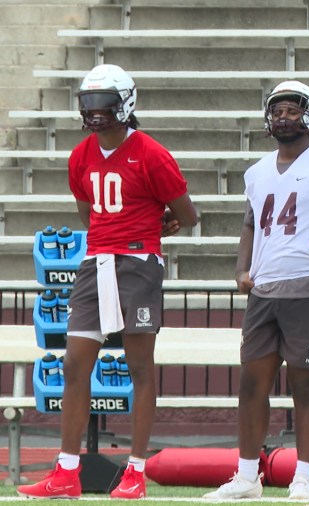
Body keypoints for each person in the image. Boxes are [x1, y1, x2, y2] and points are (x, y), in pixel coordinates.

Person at [17, 64, 198, 500]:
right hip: (96, 258)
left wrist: (154, 229)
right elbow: (88, 214)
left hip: (137, 261)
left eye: (105, 104)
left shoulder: (151, 152)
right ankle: (66, 471)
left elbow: (189, 215)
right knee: (74, 365)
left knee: (139, 367)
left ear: (126, 104)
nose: (96, 113)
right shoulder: (80, 154)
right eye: (90, 104)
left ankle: (136, 472)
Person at [204, 80, 309, 500]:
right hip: (265, 291)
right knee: (251, 382)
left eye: (292, 110)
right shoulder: (256, 171)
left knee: (305, 385)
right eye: (277, 110)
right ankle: (247, 477)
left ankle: (303, 475)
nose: (283, 117)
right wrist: (242, 268)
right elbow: (250, 223)